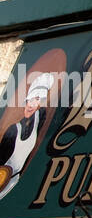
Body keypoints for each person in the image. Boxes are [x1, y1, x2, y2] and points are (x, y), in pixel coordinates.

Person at [0, 72, 54, 201]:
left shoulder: (37, 121)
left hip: (15, 181)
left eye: (37, 99)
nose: (31, 104)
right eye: (30, 99)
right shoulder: (13, 130)